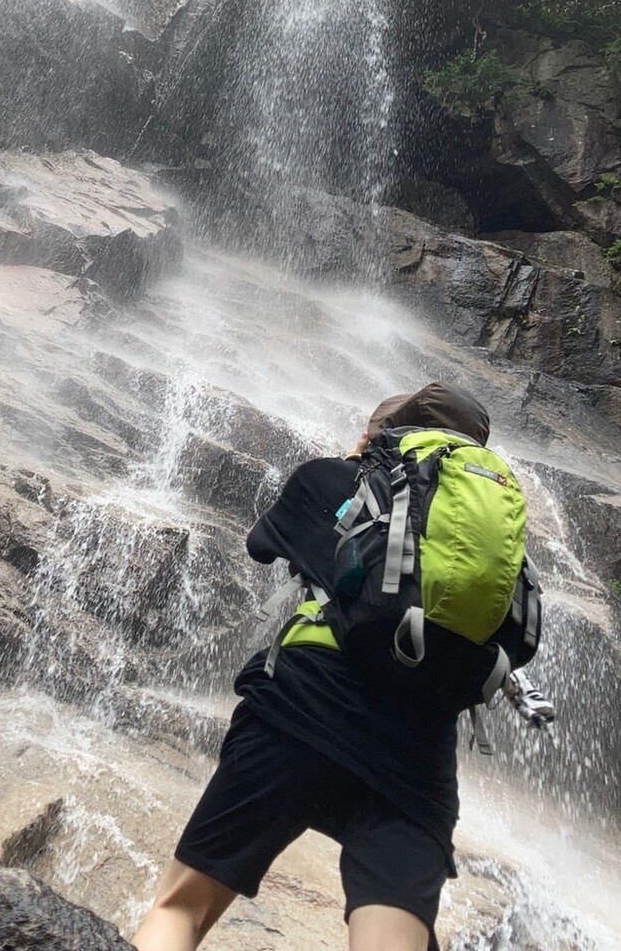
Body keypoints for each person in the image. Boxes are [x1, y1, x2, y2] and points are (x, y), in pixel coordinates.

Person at [132, 382, 496, 951]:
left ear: (374, 436)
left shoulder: (332, 480)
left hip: (300, 711)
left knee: (181, 909)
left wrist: (353, 467)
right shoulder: (491, 541)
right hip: (417, 759)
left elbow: (265, 545)